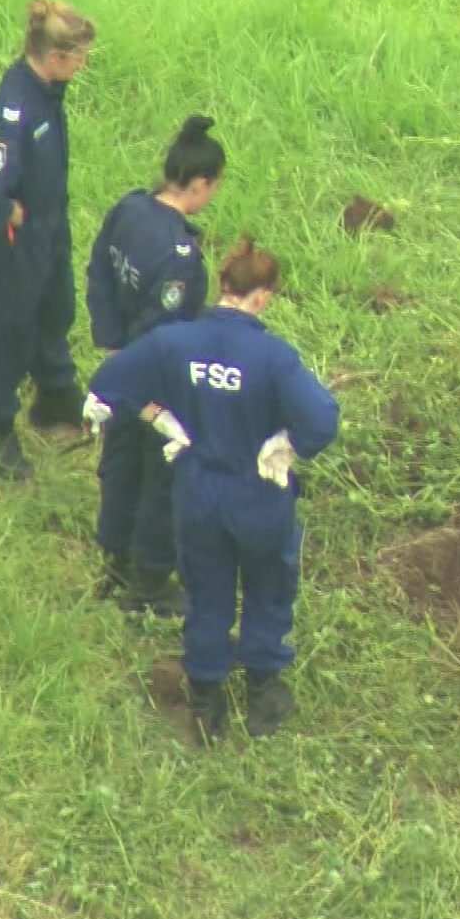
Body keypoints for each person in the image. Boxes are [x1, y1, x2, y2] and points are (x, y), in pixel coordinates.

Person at [85, 238, 339, 741]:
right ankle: (264, 686)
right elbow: (322, 419)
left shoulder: (173, 342)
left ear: (223, 285)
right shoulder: (273, 358)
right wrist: (287, 445)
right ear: (263, 297)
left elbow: (107, 387)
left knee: (206, 591)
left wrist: (160, 419)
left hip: (197, 491)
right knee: (268, 587)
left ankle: (205, 695)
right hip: (258, 494)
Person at [84, 115, 223, 615]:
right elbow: (162, 333)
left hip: (120, 369)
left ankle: (114, 555)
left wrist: (112, 347)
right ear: (201, 183)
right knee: (160, 476)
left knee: (118, 465)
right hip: (158, 385)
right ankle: (149, 581)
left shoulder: (129, 209)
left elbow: (99, 271)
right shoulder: (180, 257)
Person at [0, 0, 96, 481]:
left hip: (48, 229)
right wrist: (6, 210)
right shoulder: (15, 109)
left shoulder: (48, 93)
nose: (83, 65)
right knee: (8, 331)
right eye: (79, 56)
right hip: (15, 244)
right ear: (56, 57)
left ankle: (55, 394)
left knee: (55, 308)